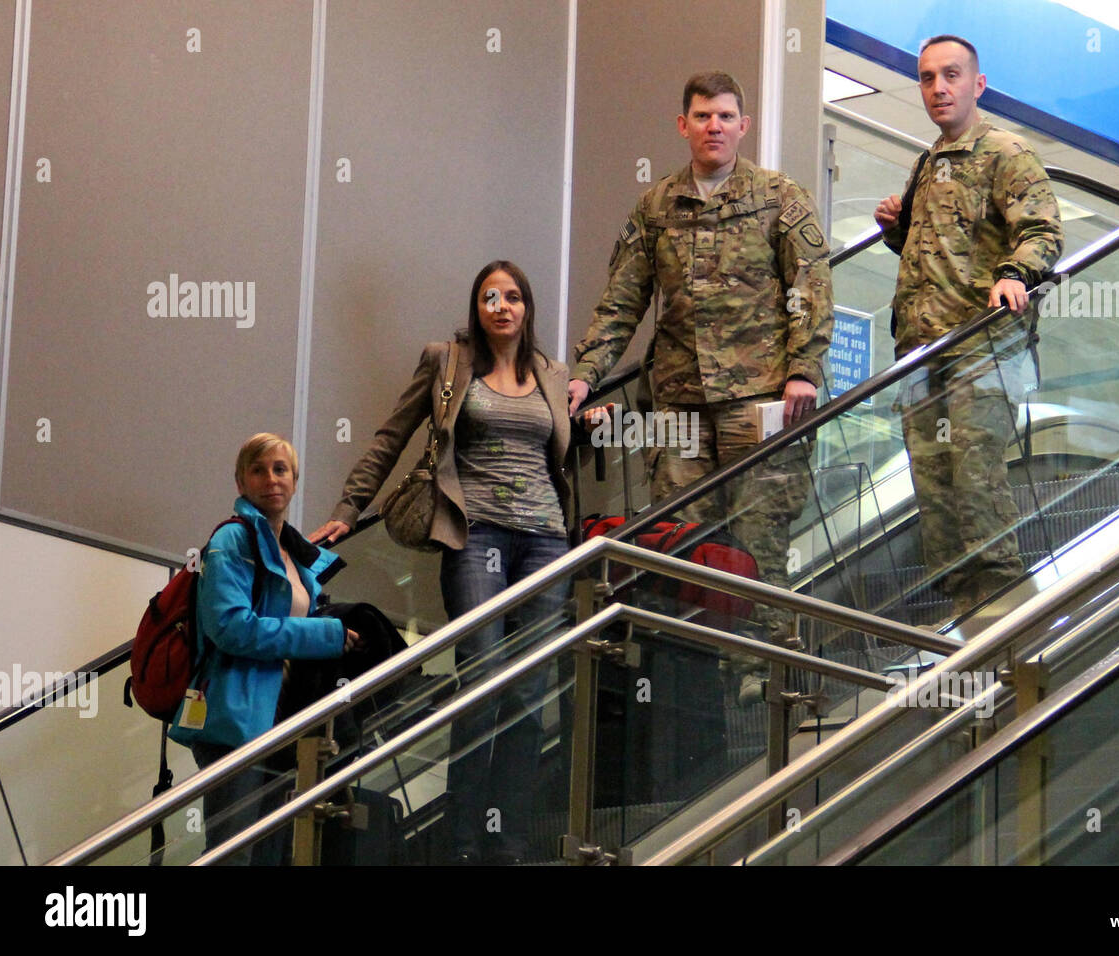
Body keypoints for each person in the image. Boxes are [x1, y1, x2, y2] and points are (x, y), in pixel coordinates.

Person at [567, 70, 833, 699]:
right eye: (702, 116)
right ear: (682, 125)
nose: (715, 126)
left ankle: (771, 684)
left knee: (760, 538)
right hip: (679, 408)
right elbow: (621, 304)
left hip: (761, 399)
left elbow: (812, 288)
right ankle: (700, 697)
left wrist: (803, 369)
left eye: (725, 116)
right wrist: (584, 376)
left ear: (744, 125)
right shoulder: (655, 207)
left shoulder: (780, 197)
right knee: (685, 545)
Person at [312, 260, 572, 865]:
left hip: (546, 539)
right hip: (474, 530)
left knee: (529, 691)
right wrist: (351, 508)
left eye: (512, 297)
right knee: (481, 680)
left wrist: (592, 420)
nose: (501, 307)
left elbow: (557, 448)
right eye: (489, 297)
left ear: (527, 308)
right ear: (476, 307)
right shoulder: (447, 361)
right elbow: (391, 435)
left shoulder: (553, 375)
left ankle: (504, 841)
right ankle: (459, 842)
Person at [874, 35, 1063, 619]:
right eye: (928, 78)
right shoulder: (927, 163)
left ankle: (1008, 622)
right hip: (921, 350)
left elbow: (1044, 232)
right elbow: (937, 251)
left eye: (951, 75)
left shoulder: (1007, 151)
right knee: (935, 496)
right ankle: (961, 621)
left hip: (983, 346)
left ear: (977, 84)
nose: (938, 88)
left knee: (977, 483)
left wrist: (1014, 275)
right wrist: (893, 229)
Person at [169, 433, 360, 865]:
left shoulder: (296, 552)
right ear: (240, 483)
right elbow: (232, 629)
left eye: (281, 469)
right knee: (232, 851)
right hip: (234, 718)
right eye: (258, 470)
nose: (271, 479)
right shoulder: (232, 542)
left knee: (272, 854)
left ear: (295, 481)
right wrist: (325, 636)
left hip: (285, 717)